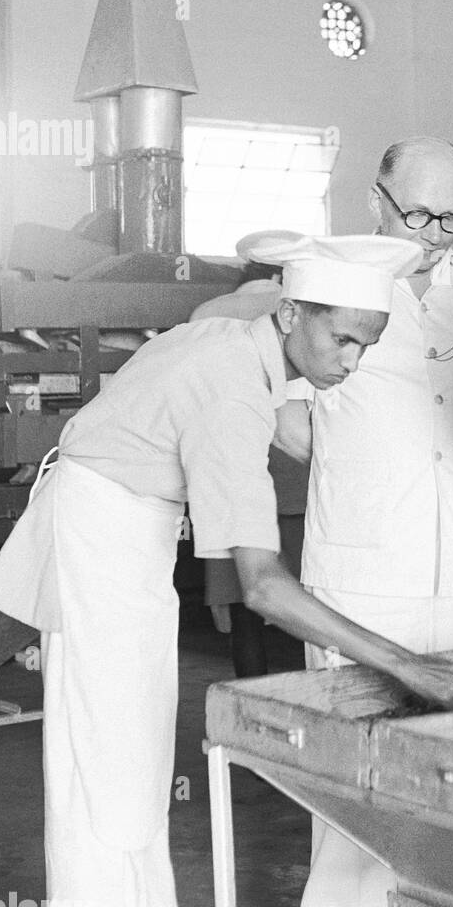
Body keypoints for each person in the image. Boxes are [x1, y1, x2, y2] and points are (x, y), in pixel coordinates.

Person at [0, 233, 453, 907]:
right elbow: (263, 587)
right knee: (112, 764)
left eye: (369, 343)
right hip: (105, 544)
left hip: (119, 534)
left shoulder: (229, 337)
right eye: (341, 339)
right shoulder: (235, 397)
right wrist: (406, 664)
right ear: (290, 315)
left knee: (124, 752)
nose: (354, 361)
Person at [273, 136, 453, 907]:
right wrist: (333, 448)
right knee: (357, 796)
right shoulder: (332, 281)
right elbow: (274, 390)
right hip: (365, 580)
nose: (438, 236)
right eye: (420, 215)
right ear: (377, 201)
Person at [189, 263, 309, 677]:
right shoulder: (290, 305)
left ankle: (251, 695)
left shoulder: (207, 310)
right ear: (280, 278)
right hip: (296, 479)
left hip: (229, 480)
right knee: (306, 603)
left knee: (244, 612)